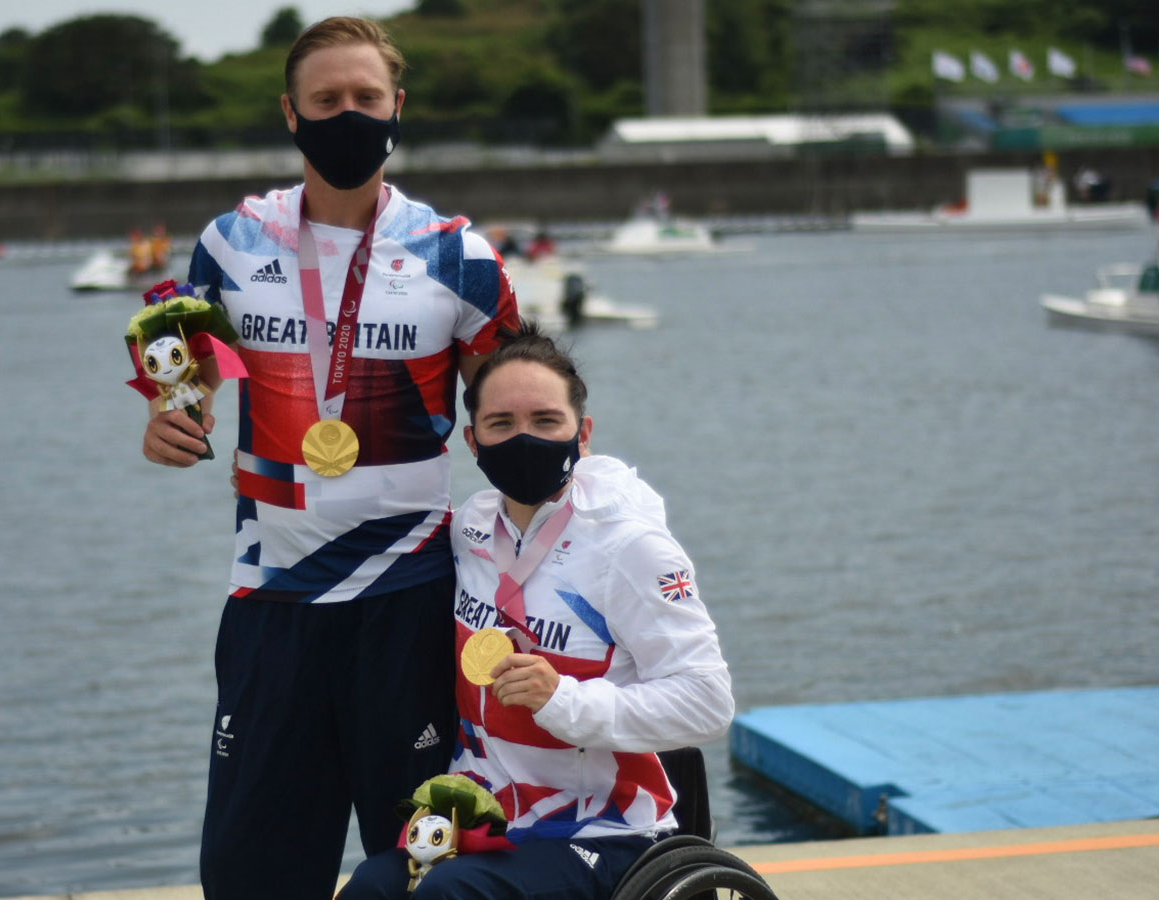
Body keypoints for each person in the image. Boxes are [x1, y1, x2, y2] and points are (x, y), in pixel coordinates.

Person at [138, 16, 519, 900]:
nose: (347, 113)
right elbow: (186, 387)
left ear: (397, 108)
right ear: (291, 113)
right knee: (250, 876)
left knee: (426, 871)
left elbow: (514, 409)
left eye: (365, 97)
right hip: (273, 601)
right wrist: (166, 422)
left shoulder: (459, 254)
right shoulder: (232, 241)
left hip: (409, 602)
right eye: (326, 99)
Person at [338, 324, 734, 900]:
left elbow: (708, 703)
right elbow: (373, 524)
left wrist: (562, 700)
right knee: (372, 885)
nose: (524, 439)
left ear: (583, 434)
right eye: (502, 424)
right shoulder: (471, 527)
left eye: (546, 421)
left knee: (449, 894)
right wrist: (257, 481)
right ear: (473, 442)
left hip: (604, 829)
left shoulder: (632, 549)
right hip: (489, 819)